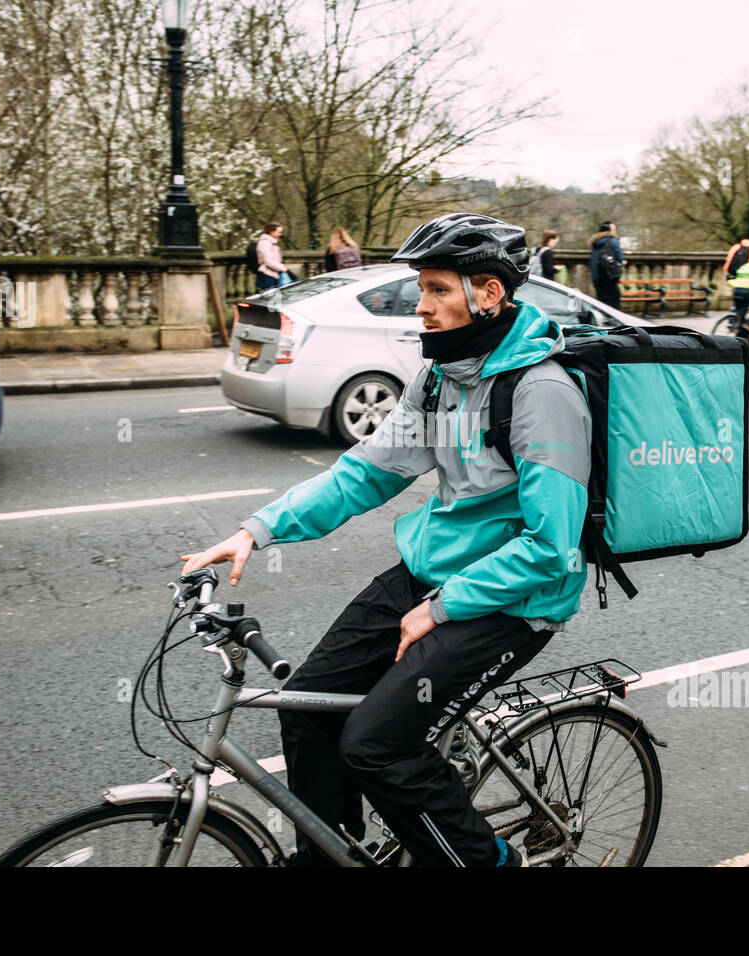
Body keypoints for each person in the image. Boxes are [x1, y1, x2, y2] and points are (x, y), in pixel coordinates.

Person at [180, 212, 591, 868]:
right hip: (433, 569)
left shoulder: (541, 393)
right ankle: (337, 855)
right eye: (420, 289)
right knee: (306, 706)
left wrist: (443, 606)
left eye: (436, 290)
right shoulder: (440, 377)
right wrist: (255, 531)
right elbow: (364, 473)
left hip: (513, 598)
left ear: (488, 293)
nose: (420, 307)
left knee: (378, 745)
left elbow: (553, 546)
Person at [588, 220, 624, 309]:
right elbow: (620, 258)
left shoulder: (595, 242)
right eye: (614, 229)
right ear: (609, 231)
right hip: (610, 276)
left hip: (597, 277)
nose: (615, 231)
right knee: (615, 300)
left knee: (602, 304)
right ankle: (616, 322)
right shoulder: (613, 241)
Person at [255, 221, 290, 291]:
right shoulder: (264, 243)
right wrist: (282, 268)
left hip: (273, 274)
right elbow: (268, 261)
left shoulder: (272, 243)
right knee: (269, 299)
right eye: (278, 232)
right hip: (267, 275)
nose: (280, 234)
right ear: (271, 232)